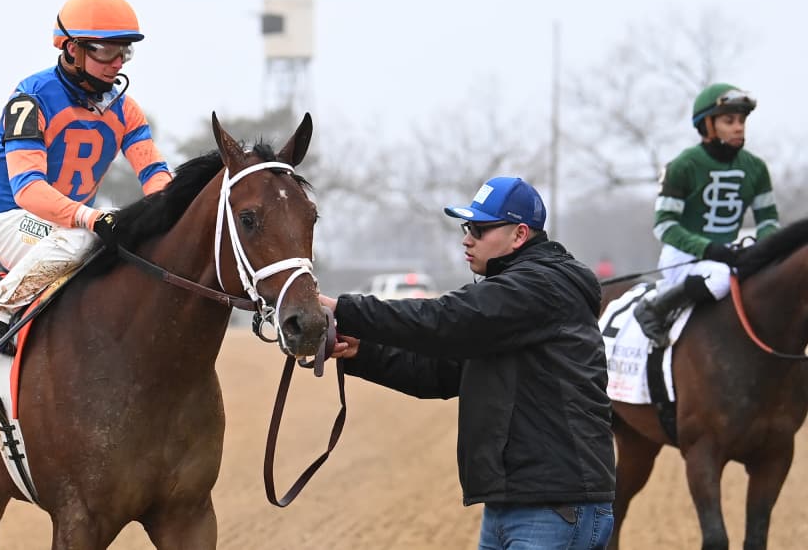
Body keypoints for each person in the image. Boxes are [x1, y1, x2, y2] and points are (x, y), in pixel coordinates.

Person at [319, 176, 616, 550]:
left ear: (519, 234)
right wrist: (363, 352)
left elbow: (444, 319)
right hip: (515, 504)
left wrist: (344, 310)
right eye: (467, 227)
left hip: (555, 507)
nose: (467, 239)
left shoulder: (539, 286)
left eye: (479, 229)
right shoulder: (511, 300)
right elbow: (438, 373)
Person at [0, 0, 173, 352]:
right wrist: (90, 218)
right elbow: (28, 189)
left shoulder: (126, 109)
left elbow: (154, 172)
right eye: (107, 51)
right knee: (88, 237)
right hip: (17, 219)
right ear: (72, 49)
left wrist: (171, 208)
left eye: (125, 51)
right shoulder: (30, 98)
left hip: (73, 226)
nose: (118, 62)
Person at [632, 83, 780, 346]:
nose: (739, 127)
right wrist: (707, 248)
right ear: (708, 126)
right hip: (682, 256)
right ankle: (655, 309)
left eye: (742, 120)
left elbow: (768, 220)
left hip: (727, 254)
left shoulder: (756, 168)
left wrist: (764, 247)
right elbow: (665, 226)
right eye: (729, 121)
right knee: (721, 277)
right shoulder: (683, 166)